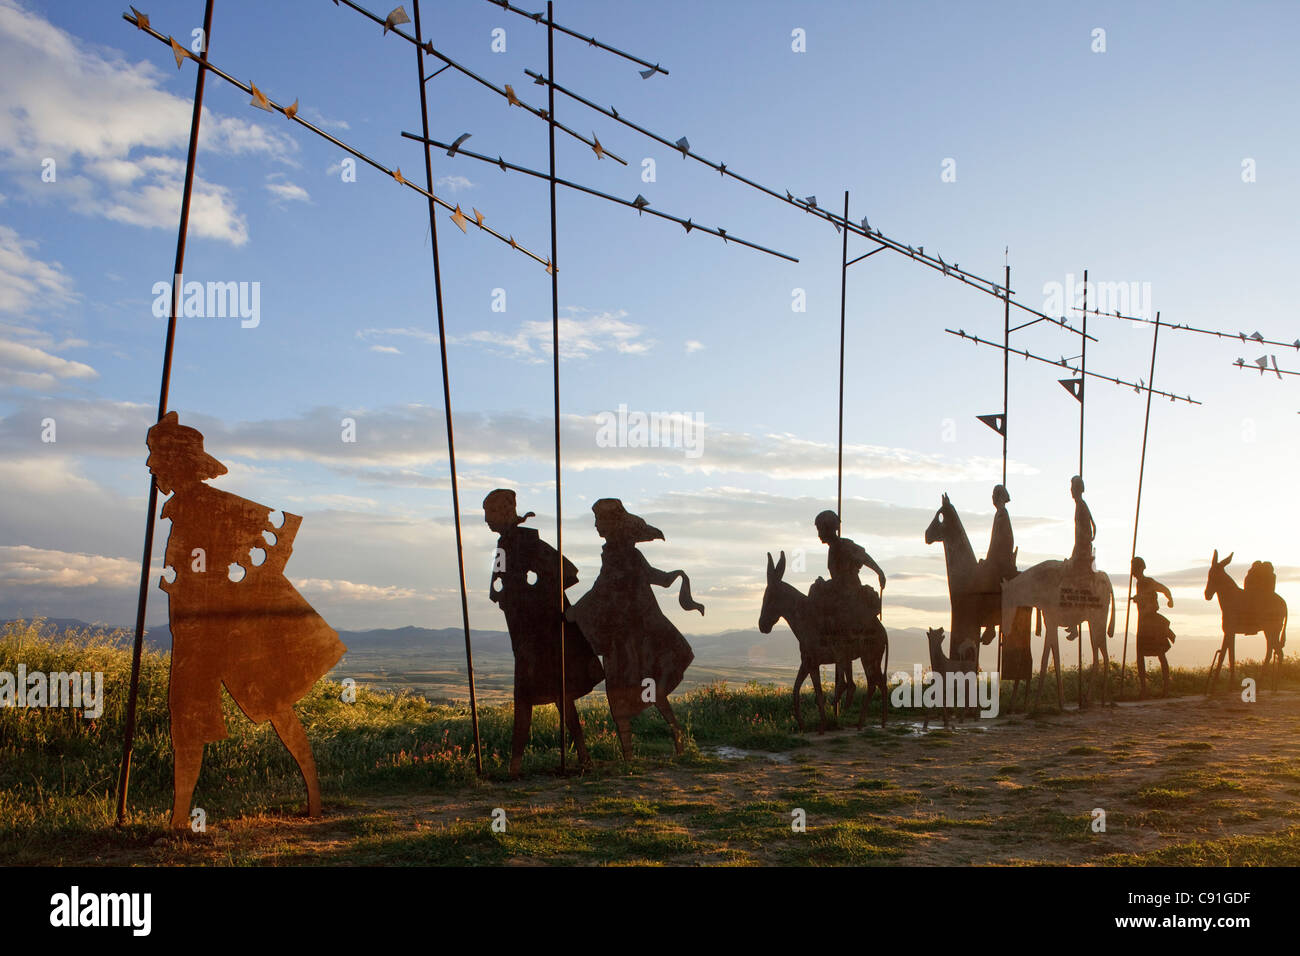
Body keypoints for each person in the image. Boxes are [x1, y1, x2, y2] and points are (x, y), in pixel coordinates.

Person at [147, 412, 345, 829]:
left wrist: (240, 589)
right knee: (187, 718)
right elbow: (184, 574)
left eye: (156, 457)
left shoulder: (214, 504)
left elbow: (279, 533)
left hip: (222, 629)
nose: (150, 466)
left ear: (178, 462)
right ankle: (180, 818)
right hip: (193, 632)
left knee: (273, 704)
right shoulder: (181, 509)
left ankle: (313, 798)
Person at [567, 499, 702, 758]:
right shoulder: (624, 553)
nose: (596, 525)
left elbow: (601, 589)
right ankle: (672, 738)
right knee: (650, 690)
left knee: (620, 692)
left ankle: (634, 752)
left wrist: (576, 611)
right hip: (632, 636)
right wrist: (676, 577)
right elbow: (653, 578)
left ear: (612, 523)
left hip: (624, 638)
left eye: (599, 520)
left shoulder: (620, 555)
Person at [483, 489, 603, 776]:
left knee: (538, 695)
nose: (486, 520)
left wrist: (531, 596)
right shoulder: (503, 546)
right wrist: (505, 595)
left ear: (503, 511)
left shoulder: (527, 542)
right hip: (523, 633)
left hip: (544, 636)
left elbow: (565, 573)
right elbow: (496, 584)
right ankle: (573, 757)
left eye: (489, 513)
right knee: (543, 696)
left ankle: (519, 765)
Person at [809, 510, 885, 638]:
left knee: (817, 591)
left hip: (848, 589)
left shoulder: (844, 546)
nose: (818, 534)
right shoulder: (833, 548)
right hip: (838, 587)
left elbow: (864, 557)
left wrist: (879, 572)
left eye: (820, 529)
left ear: (828, 529)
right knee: (816, 590)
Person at [1131, 557, 1175, 698]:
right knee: (1140, 655)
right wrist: (1139, 598)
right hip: (1143, 623)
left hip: (1152, 624)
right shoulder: (1138, 584)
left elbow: (1163, 589)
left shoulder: (1149, 582)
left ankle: (1166, 688)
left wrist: (1170, 599)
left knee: (1160, 653)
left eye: (1134, 568)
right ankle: (1144, 689)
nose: (1133, 571)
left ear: (1140, 568)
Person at [983, 484, 1016, 644]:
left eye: (995, 494)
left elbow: (1001, 541)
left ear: (1000, 496)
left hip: (1001, 561)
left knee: (988, 582)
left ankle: (990, 627)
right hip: (996, 558)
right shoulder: (999, 514)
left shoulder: (1003, 514)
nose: (993, 497)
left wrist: (991, 560)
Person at [1069, 475, 1095, 573]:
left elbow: (1081, 533)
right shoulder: (1081, 505)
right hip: (1082, 549)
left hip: (1082, 552)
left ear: (1078, 489)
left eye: (1073, 487)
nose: (1071, 490)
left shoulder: (1081, 506)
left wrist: (1076, 553)